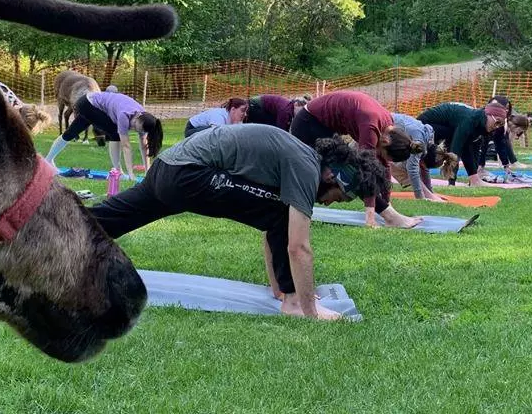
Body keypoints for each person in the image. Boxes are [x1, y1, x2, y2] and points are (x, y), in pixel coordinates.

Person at [88, 125, 388, 320]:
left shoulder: (301, 158)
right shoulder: (306, 167)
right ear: (332, 176)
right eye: (340, 196)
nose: (331, 202)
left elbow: (275, 232)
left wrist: (280, 287)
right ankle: (295, 303)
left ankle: (53, 235)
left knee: (104, 222)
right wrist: (309, 307)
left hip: (169, 167)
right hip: (187, 173)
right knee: (280, 214)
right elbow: (298, 247)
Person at [290, 90, 423, 228]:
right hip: (308, 124)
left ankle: (390, 215)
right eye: (382, 154)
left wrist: (388, 202)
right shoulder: (371, 127)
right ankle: (389, 216)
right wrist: (370, 218)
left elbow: (385, 167)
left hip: (325, 127)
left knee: (344, 173)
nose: (380, 157)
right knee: (350, 173)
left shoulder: (387, 127)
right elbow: (366, 171)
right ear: (385, 143)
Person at [44, 90, 163, 176]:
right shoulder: (124, 116)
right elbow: (126, 146)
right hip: (87, 103)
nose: (132, 128)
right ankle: (118, 171)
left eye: (138, 130)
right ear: (137, 117)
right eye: (134, 126)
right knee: (114, 133)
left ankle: (47, 161)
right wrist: (131, 175)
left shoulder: (145, 121)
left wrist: (148, 172)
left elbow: (144, 146)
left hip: (89, 103)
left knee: (70, 133)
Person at [417, 101, 507, 187]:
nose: (497, 126)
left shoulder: (480, 125)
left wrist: (474, 175)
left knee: (467, 143)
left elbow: (474, 152)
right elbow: (456, 149)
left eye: (501, 125)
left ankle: (474, 180)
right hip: (423, 126)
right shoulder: (469, 120)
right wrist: (452, 182)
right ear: (488, 115)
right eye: (497, 122)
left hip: (442, 127)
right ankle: (453, 180)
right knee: (461, 141)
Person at [389, 112, 459, 201]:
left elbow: (424, 169)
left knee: (405, 164)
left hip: (387, 122)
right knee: (405, 167)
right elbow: (412, 170)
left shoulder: (428, 141)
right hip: (381, 124)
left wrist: (431, 193)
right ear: (422, 160)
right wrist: (421, 197)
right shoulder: (419, 142)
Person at [184, 97, 249, 137]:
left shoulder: (237, 120)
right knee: (217, 132)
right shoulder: (219, 116)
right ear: (233, 109)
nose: (245, 114)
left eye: (246, 111)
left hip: (209, 129)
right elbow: (216, 136)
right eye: (243, 110)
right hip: (191, 130)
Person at [245, 94, 310, 131]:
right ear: (296, 105)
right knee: (266, 128)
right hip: (255, 105)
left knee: (272, 125)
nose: (300, 114)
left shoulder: (289, 108)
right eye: (301, 111)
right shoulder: (286, 111)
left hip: (262, 108)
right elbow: (281, 129)